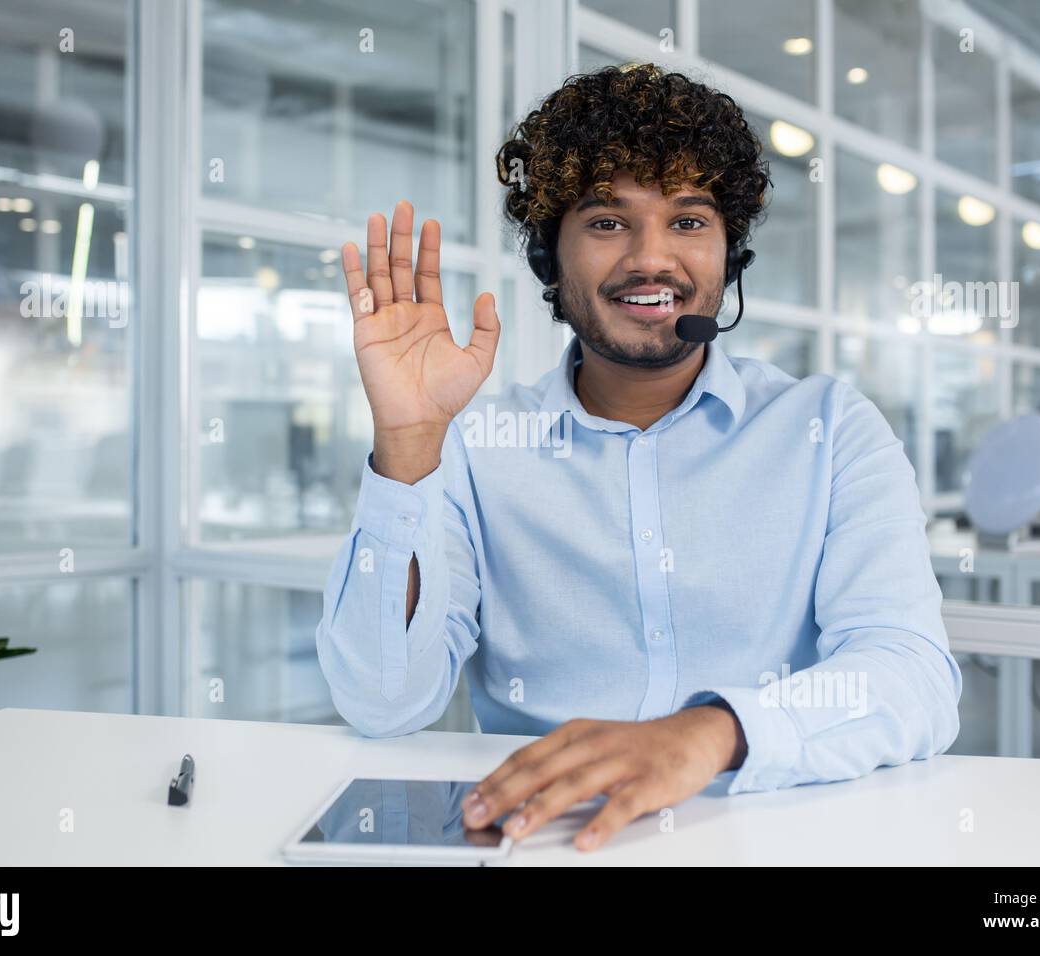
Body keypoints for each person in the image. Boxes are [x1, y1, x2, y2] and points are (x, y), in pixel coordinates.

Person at [316, 63, 961, 853]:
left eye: (689, 221)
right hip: (546, 837)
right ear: (552, 257)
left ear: (730, 253)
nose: (652, 259)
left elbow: (912, 677)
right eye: (607, 221)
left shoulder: (829, 431)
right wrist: (410, 447)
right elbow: (383, 702)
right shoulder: (476, 449)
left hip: (766, 832)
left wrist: (709, 734)